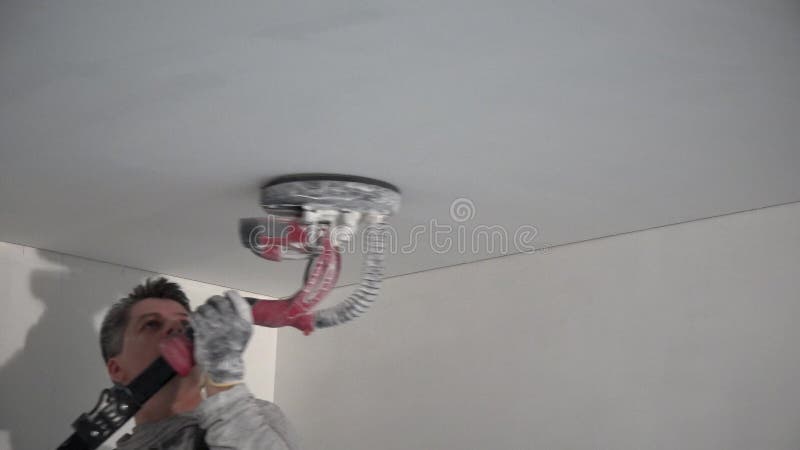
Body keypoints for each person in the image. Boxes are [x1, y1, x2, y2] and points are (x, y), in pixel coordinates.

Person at [99, 277, 300, 449]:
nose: (177, 330)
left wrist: (224, 382)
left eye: (186, 324)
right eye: (152, 324)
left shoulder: (258, 417)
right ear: (117, 370)